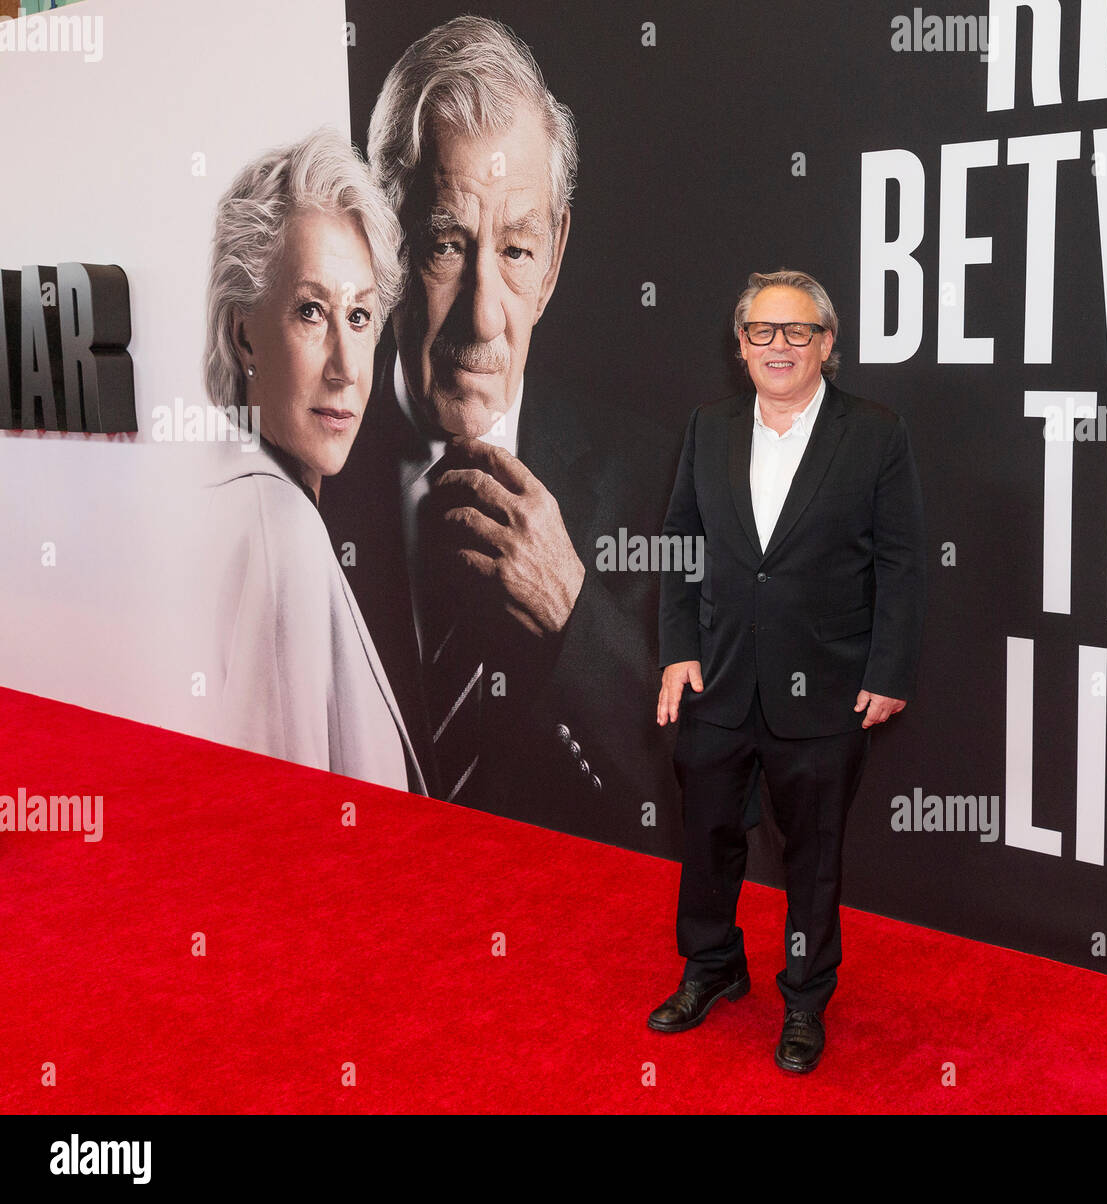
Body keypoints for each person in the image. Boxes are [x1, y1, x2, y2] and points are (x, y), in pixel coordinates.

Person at [321, 16, 670, 825]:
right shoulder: (302, 477)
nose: (483, 319)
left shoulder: (666, 489)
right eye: (446, 242)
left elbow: (730, 829)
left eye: (515, 252)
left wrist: (573, 615)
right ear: (382, 243)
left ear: (552, 261)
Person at [651, 269, 925, 1072]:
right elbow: (679, 544)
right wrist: (677, 649)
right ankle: (711, 967)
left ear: (826, 345)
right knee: (705, 839)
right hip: (719, 682)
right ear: (740, 346)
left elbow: (905, 564)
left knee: (812, 853)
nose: (779, 346)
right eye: (763, 332)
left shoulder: (874, 432)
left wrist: (890, 667)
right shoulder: (709, 425)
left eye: (797, 331)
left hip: (829, 688)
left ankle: (805, 999)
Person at [199, 127, 425, 794]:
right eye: (310, 311)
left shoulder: (238, 501)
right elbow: (282, 854)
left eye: (360, 317)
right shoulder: (279, 532)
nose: (346, 369)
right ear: (245, 334)